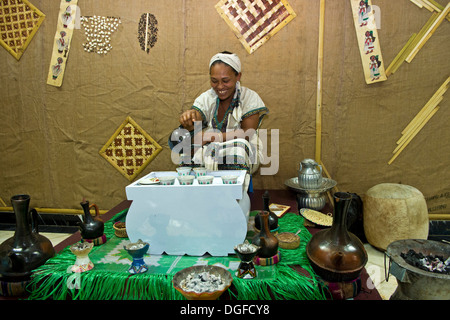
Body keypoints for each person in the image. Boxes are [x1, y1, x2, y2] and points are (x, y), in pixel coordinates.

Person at [173, 51, 268, 174]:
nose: (220, 86)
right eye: (214, 81)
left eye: (225, 80)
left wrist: (211, 137)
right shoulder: (207, 97)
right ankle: (197, 191)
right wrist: (189, 117)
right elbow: (196, 117)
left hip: (244, 148)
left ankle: (231, 192)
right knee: (188, 154)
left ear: (238, 76)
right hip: (212, 147)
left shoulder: (249, 97)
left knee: (236, 151)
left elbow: (247, 133)